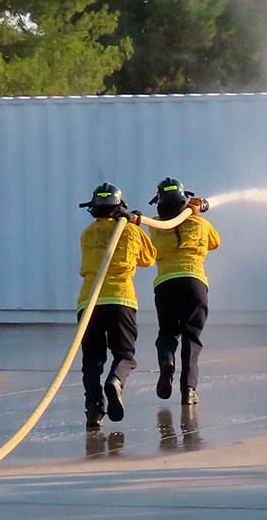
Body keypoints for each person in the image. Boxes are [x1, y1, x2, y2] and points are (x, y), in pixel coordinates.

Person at [77, 182, 157, 430]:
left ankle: (94, 410)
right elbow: (149, 258)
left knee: (91, 360)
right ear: (119, 207)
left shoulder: (87, 233)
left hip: (89, 301)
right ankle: (115, 381)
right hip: (121, 300)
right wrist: (134, 224)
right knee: (124, 355)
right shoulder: (131, 232)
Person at [147, 177, 220, 405]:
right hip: (194, 283)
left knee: (167, 332)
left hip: (165, 284)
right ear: (183, 198)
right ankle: (188, 389)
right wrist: (194, 213)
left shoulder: (154, 226)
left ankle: (167, 360)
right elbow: (215, 242)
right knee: (191, 335)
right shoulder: (200, 224)